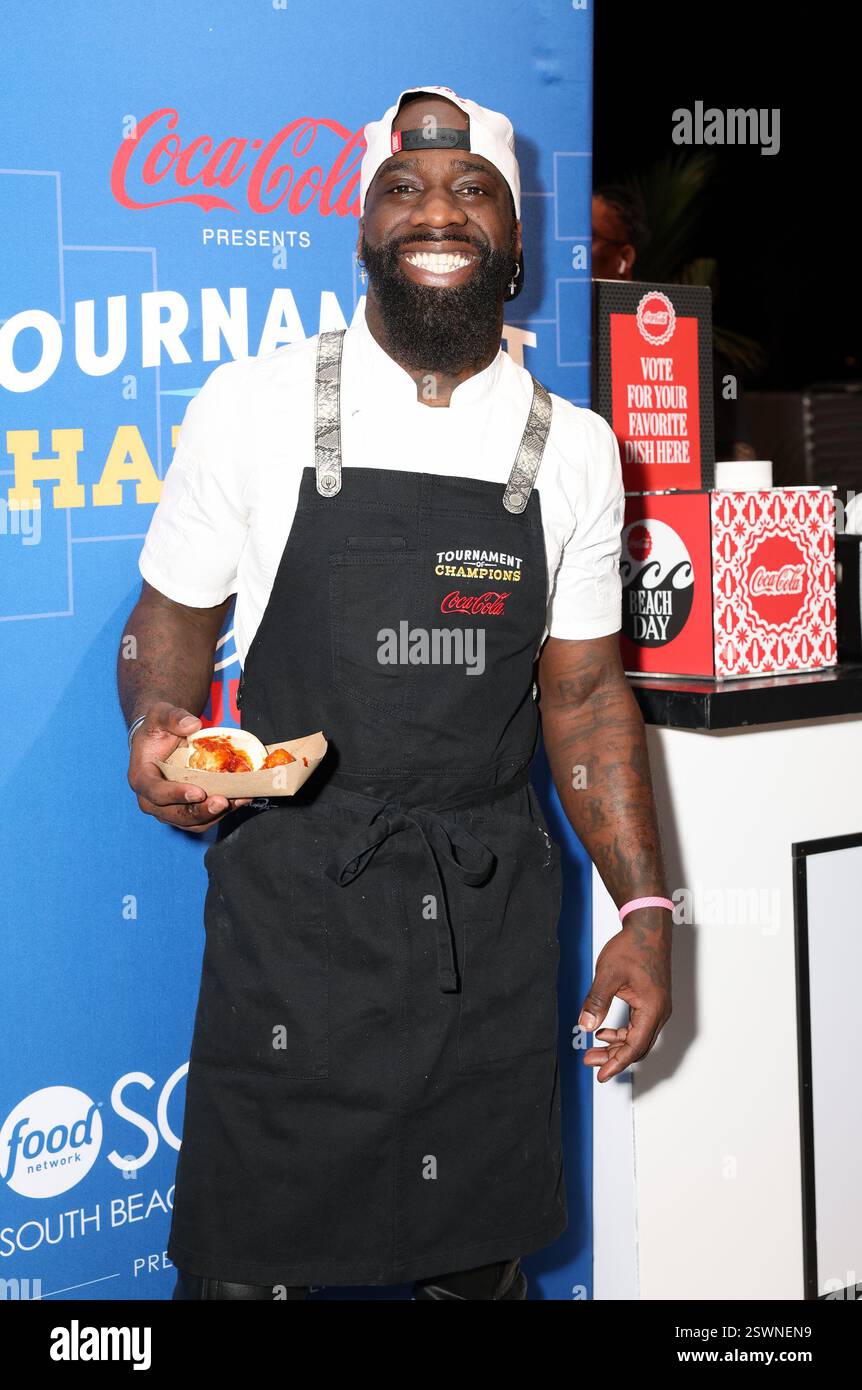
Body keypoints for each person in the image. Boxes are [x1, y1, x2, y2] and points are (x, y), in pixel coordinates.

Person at [119, 85, 673, 1301]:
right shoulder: (252, 404)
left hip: (484, 925)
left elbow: (585, 699)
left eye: (473, 189)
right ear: (363, 229)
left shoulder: (574, 448)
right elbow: (169, 621)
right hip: (292, 922)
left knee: (475, 1273)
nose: (437, 211)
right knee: (244, 1276)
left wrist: (643, 913)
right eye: (403, 188)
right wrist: (159, 721)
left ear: (516, 242)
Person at [592, 182, 757, 461]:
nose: (572, 250)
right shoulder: (545, 346)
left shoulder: (694, 360)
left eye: (587, 236)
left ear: (624, 258)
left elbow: (738, 464)